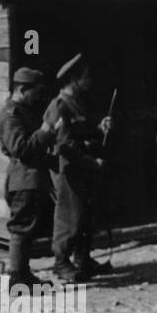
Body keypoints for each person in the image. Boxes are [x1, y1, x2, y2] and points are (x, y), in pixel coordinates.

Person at [44, 54, 113, 282]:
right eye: (86, 77)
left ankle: (82, 259)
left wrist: (99, 127)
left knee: (86, 215)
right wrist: (93, 162)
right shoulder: (59, 107)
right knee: (69, 217)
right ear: (74, 80)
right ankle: (61, 262)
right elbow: (65, 146)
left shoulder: (78, 104)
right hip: (68, 171)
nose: (90, 80)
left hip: (83, 170)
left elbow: (82, 133)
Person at [0, 67, 58, 288]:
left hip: (32, 178)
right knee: (21, 226)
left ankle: (23, 273)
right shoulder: (11, 115)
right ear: (22, 89)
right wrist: (45, 131)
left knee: (28, 226)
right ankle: (16, 278)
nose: (39, 96)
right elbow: (21, 148)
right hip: (22, 179)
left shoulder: (24, 111)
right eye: (36, 91)